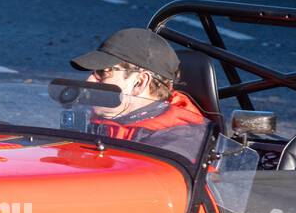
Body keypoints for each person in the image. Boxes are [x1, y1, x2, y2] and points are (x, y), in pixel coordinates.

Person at [70, 28, 206, 153]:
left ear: (139, 82)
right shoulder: (94, 118)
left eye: (103, 73)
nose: (89, 80)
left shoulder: (178, 141)